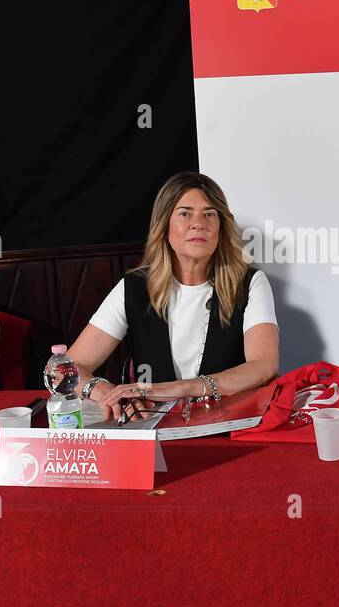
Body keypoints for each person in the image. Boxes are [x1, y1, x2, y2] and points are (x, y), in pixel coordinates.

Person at [66, 172, 279, 423]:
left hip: (230, 427)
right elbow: (64, 370)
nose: (198, 223)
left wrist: (183, 387)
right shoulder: (134, 287)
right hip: (157, 429)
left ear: (220, 227)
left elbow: (264, 365)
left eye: (209, 214)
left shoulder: (251, 283)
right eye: (185, 213)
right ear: (164, 224)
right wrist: (103, 391)